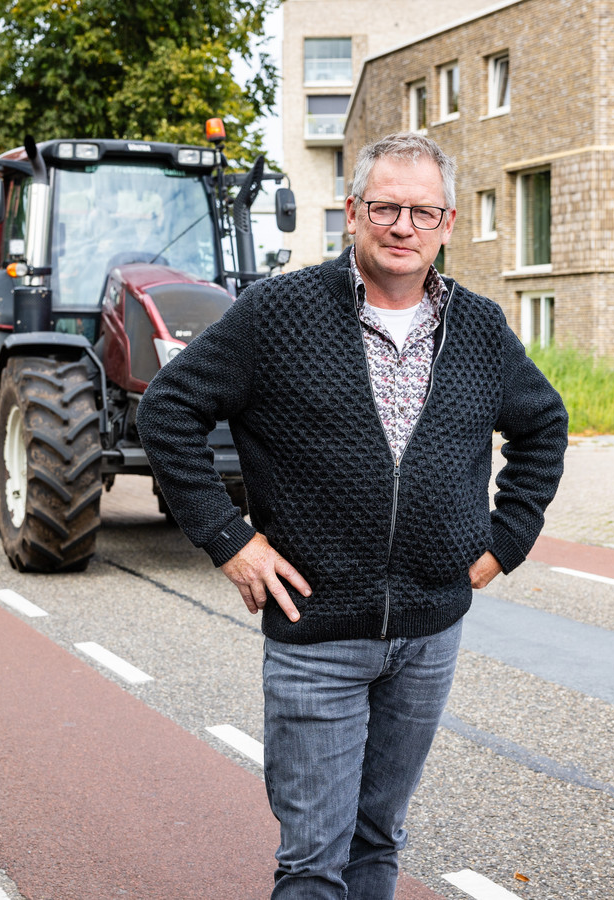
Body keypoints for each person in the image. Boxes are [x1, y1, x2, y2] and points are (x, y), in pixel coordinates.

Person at [136, 132, 567, 899]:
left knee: (378, 841)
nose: (403, 226)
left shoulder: (477, 325)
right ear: (352, 213)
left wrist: (506, 541)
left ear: (448, 222)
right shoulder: (279, 312)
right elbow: (168, 409)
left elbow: (542, 426)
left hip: (429, 634)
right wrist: (230, 541)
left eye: (421, 211)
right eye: (385, 207)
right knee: (312, 862)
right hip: (316, 634)